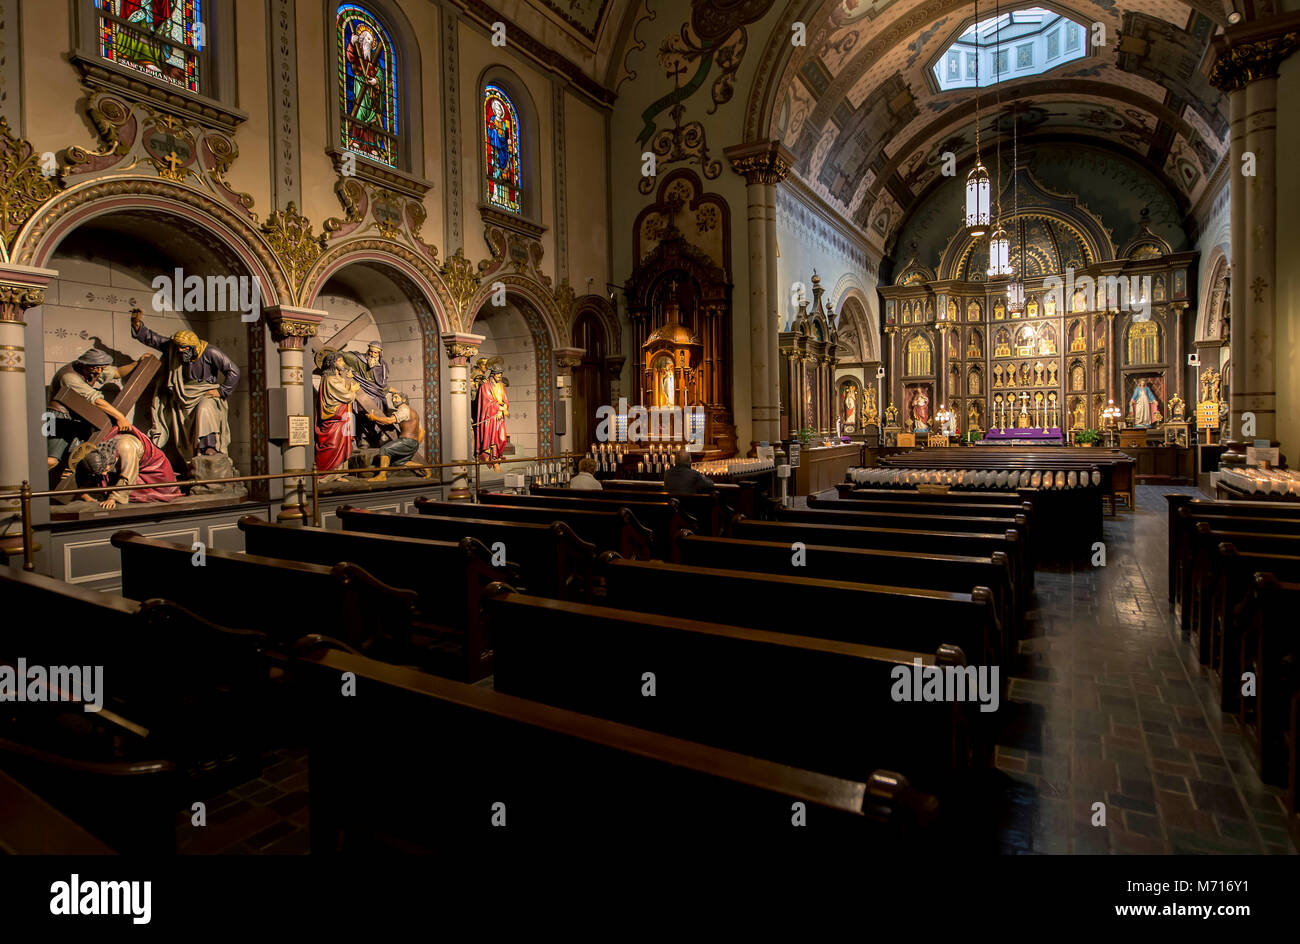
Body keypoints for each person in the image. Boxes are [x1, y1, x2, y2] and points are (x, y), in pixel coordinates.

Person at [130, 308, 239, 462]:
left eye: (185, 348)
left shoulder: (210, 352)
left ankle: (209, 446)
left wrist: (222, 391)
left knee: (205, 409)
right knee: (182, 429)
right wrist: (137, 324)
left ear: (194, 347)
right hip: (183, 394)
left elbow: (233, 371)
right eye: (179, 348)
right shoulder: (174, 349)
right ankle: (190, 457)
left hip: (205, 392)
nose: (180, 351)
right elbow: (153, 339)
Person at [46, 348, 144, 469]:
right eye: (97, 368)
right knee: (51, 460)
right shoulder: (69, 377)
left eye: (101, 368)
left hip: (73, 419)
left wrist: (137, 363)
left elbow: (116, 373)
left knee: (77, 457)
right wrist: (120, 417)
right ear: (85, 364)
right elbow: (95, 400)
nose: (99, 371)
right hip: (54, 417)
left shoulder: (91, 369)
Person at [70, 426, 181, 510]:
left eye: (104, 470)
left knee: (157, 492)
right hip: (125, 465)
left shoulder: (126, 448)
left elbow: (128, 475)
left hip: (152, 469)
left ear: (108, 461)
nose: (104, 474)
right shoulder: (101, 450)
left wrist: (114, 498)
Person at [366, 391, 430, 481]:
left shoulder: (403, 408)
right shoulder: (414, 412)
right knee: (399, 462)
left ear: (404, 400)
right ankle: (424, 468)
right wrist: (415, 444)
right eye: (393, 398)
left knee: (384, 450)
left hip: (406, 441)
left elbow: (389, 421)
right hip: (413, 443)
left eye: (396, 397)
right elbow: (422, 431)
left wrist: (374, 418)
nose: (394, 400)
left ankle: (382, 476)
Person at [316, 353, 360, 483]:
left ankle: (338, 474)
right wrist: (353, 391)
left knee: (342, 444)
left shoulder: (335, 378)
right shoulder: (330, 380)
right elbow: (346, 396)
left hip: (341, 418)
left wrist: (347, 380)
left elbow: (342, 389)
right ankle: (324, 475)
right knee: (333, 445)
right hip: (333, 418)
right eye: (340, 361)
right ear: (333, 363)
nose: (342, 363)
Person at [474, 366, 509, 469]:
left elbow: (505, 400)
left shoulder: (501, 386)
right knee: (492, 437)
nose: (500, 376)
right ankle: (492, 458)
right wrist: (498, 408)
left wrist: (505, 406)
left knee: (502, 438)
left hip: (499, 417)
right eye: (498, 374)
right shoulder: (485, 386)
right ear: (493, 374)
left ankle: (497, 456)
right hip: (490, 418)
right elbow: (487, 401)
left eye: (501, 374)